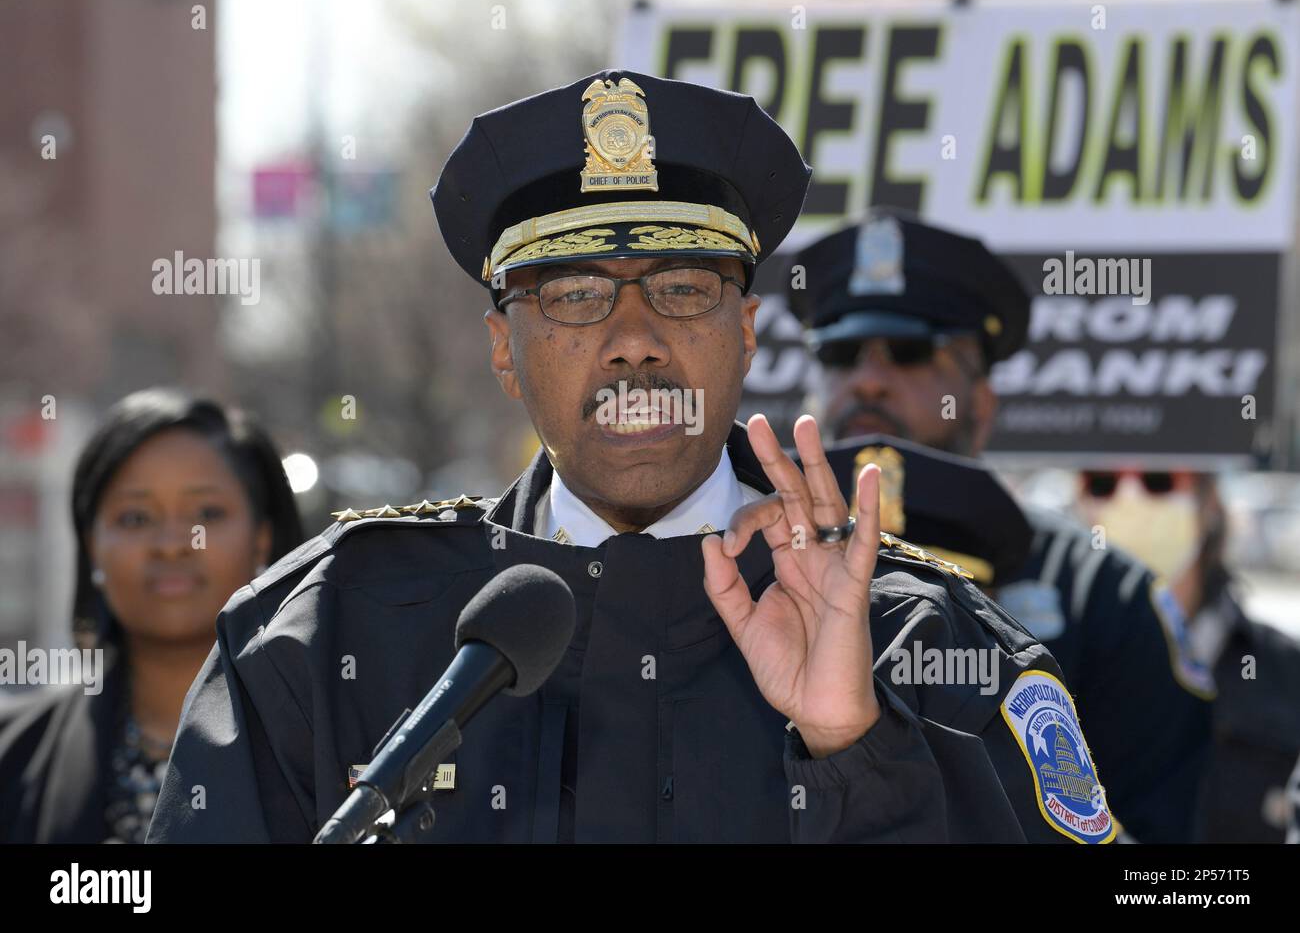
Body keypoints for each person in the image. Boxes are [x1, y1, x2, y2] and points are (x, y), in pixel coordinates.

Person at [147, 71, 1116, 844]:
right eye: (572, 295)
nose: (634, 337)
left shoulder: (918, 635)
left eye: (684, 287)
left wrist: (851, 751)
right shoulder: (323, 631)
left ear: (745, 330)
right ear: (501, 347)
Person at [788, 208, 1212, 842]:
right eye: (841, 353)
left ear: (981, 403)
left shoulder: (1104, 598)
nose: (869, 380)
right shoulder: (746, 572)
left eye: (910, 352)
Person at [0, 388, 304, 842]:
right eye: (136, 518)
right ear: (91, 545)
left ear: (262, 538)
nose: (171, 543)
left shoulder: (349, 753)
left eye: (206, 512)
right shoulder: (13, 755)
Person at [1077, 469, 1300, 842]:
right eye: (1103, 482)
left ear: (1208, 500)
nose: (1130, 501)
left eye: (1158, 480)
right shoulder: (1044, 670)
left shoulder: (1288, 672)